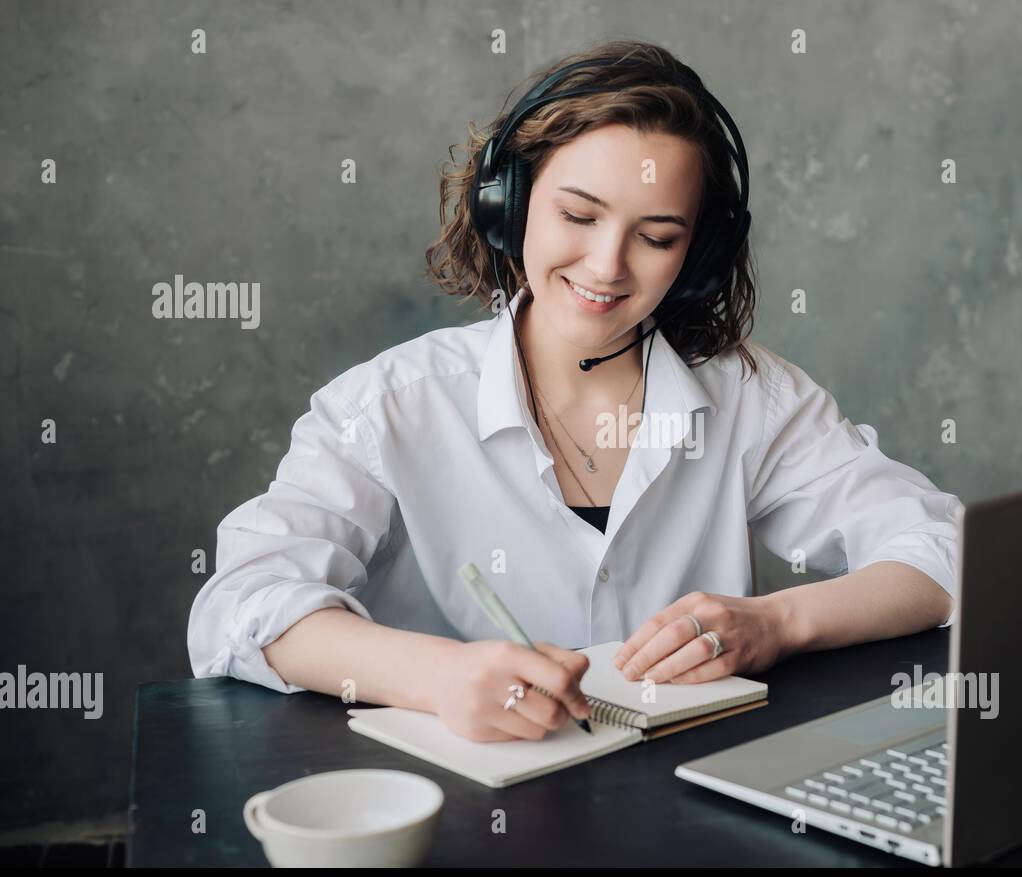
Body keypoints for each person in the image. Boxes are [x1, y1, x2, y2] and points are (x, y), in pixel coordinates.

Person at [187, 39, 961, 744]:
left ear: (697, 254)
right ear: (509, 203)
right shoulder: (391, 403)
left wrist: (778, 621)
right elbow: (239, 605)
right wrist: (435, 676)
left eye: (656, 237)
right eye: (578, 215)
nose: (606, 266)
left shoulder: (750, 395)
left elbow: (946, 551)